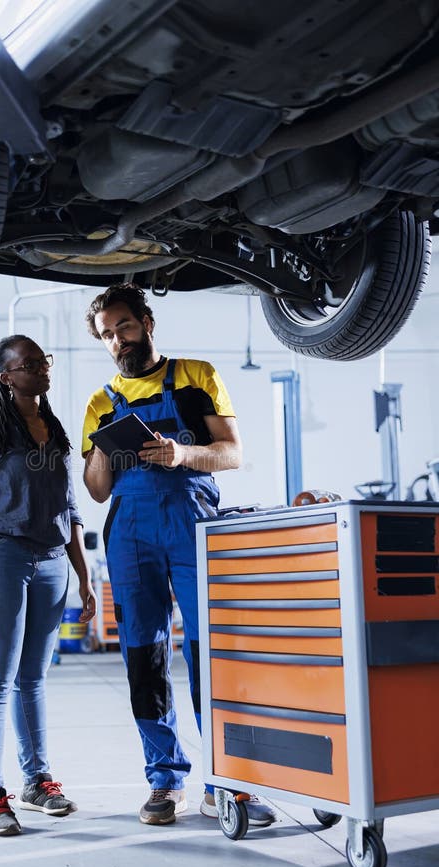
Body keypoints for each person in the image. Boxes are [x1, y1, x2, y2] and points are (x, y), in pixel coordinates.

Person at [82, 283, 275, 828]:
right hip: (130, 529)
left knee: (212, 652)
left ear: (146, 321)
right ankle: (164, 780)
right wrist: (102, 445)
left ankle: (227, 781)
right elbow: (96, 489)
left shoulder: (197, 376)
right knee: (143, 656)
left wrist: (182, 452)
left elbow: (233, 454)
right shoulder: (100, 401)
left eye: (124, 326)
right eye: (106, 335)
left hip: (192, 521)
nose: (117, 340)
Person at [0, 334, 97, 837]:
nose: (42, 368)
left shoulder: (55, 431)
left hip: (54, 561)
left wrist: (84, 576)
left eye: (45, 360)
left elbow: (72, 509)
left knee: (33, 678)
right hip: (2, 557)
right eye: (30, 363)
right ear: (6, 377)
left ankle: (37, 781)